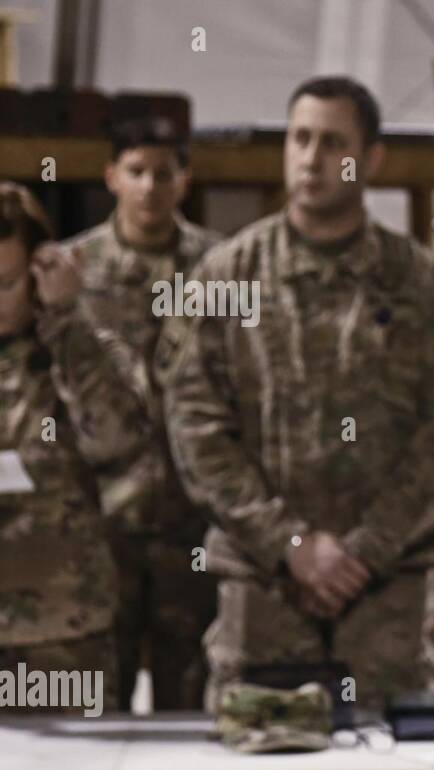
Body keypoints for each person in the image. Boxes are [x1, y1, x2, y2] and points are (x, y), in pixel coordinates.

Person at [160, 76, 434, 770]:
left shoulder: (419, 284)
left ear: (369, 158)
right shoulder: (223, 280)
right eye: (299, 138)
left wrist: (369, 546)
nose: (311, 158)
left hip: (382, 601)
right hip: (265, 597)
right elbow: (196, 428)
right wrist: (291, 543)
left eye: (333, 141)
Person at [0, 182, 149, 770]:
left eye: (4, 283)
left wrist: (66, 324)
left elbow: (120, 435)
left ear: (39, 273)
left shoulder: (79, 345)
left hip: (61, 637)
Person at [65, 116, 223, 712]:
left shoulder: (219, 269)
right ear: (111, 177)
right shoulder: (72, 270)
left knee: (186, 704)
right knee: (99, 699)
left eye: (164, 173)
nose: (150, 186)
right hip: (100, 522)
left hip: (192, 522)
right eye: (136, 172)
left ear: (184, 181)